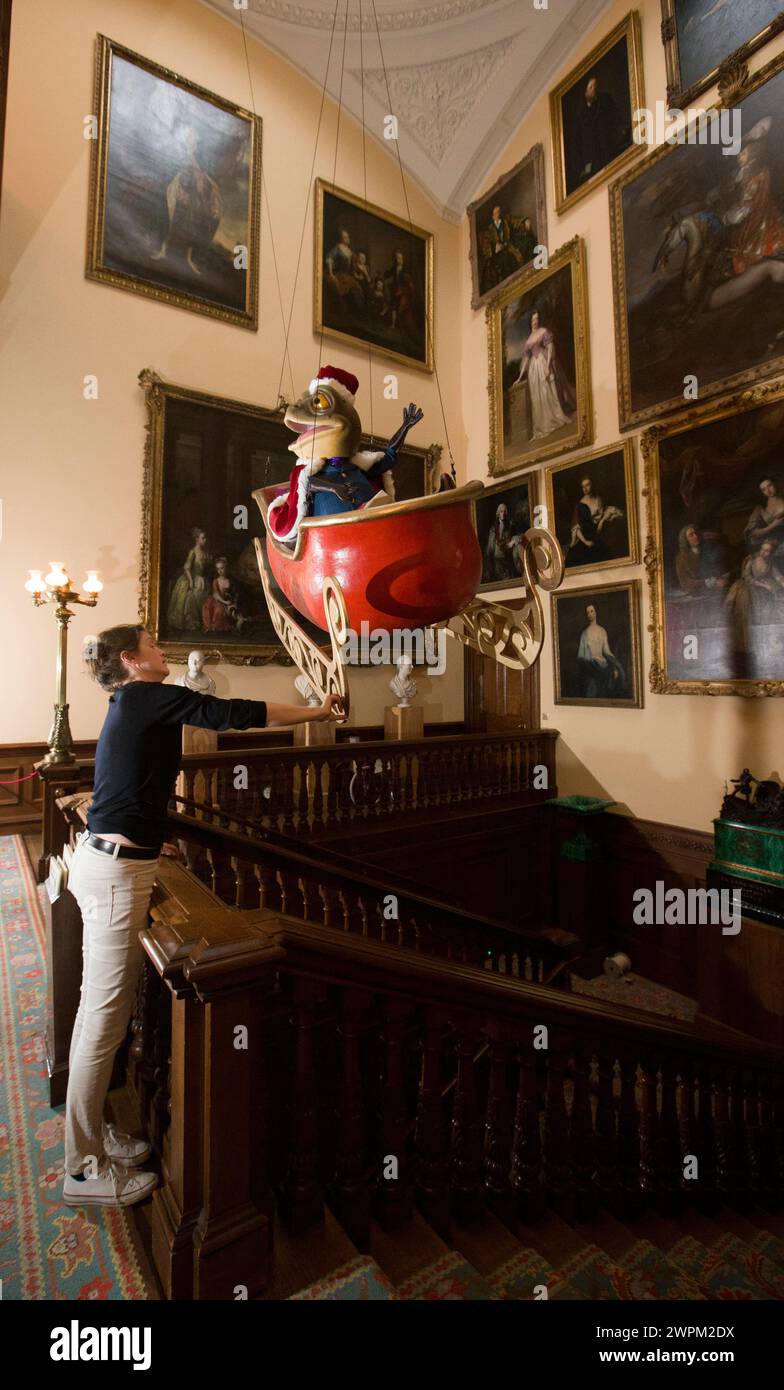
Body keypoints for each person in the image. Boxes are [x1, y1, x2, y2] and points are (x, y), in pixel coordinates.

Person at [63, 624, 344, 1209]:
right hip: (115, 873)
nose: (161, 652)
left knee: (103, 1017)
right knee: (102, 1020)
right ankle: (83, 1167)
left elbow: (132, 783)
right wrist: (316, 709)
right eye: (152, 645)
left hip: (118, 860)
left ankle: (92, 1140)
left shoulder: (134, 702)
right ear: (131, 661)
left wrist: (152, 837)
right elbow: (234, 712)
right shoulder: (145, 695)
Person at [512, 309, 576, 439]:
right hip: (533, 371)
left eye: (537, 319)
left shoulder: (543, 332)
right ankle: (542, 424)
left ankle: (554, 418)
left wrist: (547, 366)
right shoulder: (529, 340)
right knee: (537, 396)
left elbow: (550, 346)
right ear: (530, 322)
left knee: (547, 392)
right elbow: (526, 360)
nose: (535, 322)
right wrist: (519, 378)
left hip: (542, 362)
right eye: (533, 320)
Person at [565, 476, 623, 568]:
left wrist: (601, 522)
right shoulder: (580, 505)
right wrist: (585, 541)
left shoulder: (598, 499)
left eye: (587, 485)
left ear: (592, 485)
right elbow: (576, 527)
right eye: (583, 486)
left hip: (599, 532)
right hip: (586, 536)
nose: (585, 489)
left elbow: (602, 514)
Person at [167, 527, 213, 632]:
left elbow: (205, 567)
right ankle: (191, 623)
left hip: (201, 580)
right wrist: (191, 582)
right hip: (191, 578)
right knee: (191, 599)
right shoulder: (193, 552)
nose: (205, 540)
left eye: (205, 538)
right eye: (203, 538)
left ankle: (204, 623)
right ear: (197, 539)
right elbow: (187, 567)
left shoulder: (204, 552)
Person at [577, 602, 624, 698]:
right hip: (590, 669)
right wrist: (593, 658)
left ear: (596, 612)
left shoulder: (602, 631)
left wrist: (615, 667)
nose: (590, 614)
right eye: (588, 612)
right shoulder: (584, 634)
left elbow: (607, 652)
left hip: (603, 668)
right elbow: (581, 656)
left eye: (592, 611)